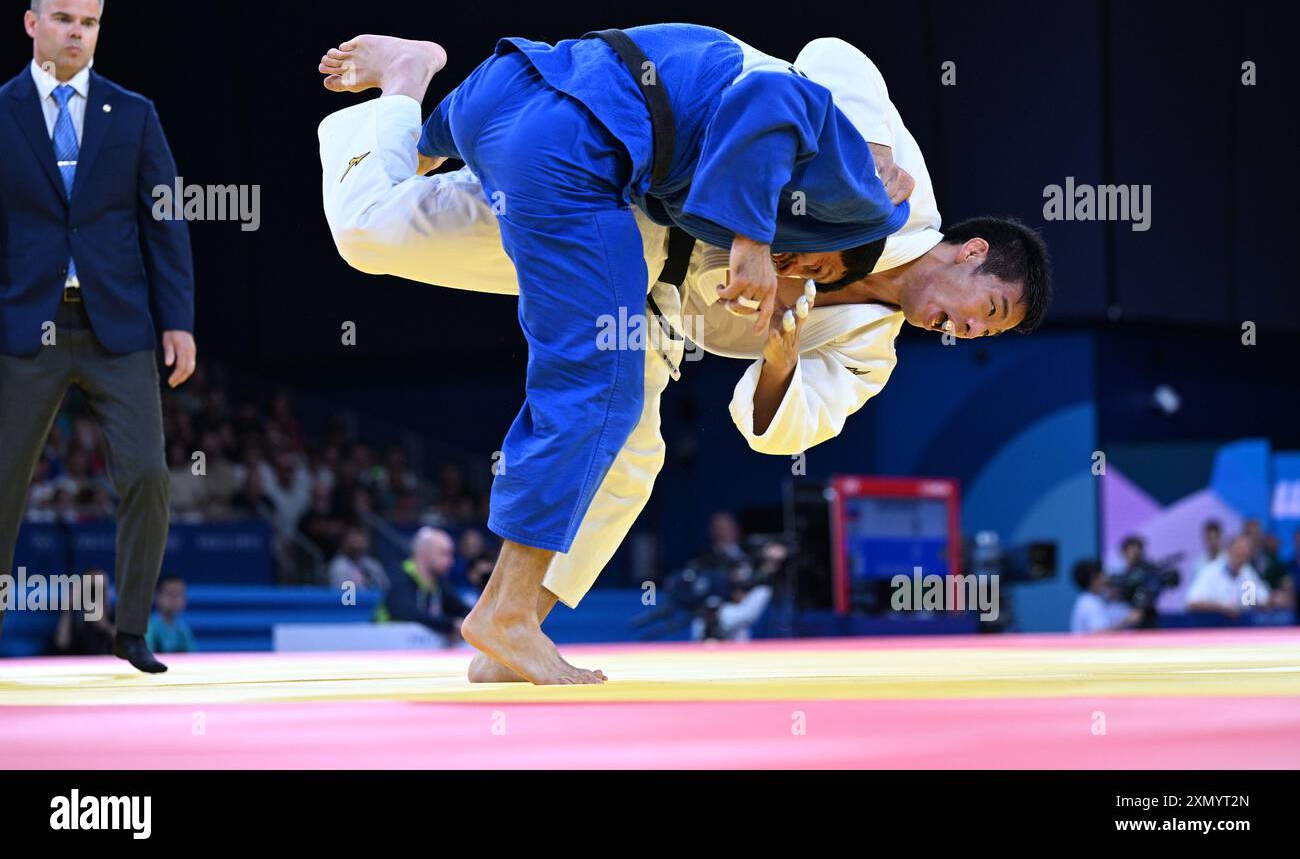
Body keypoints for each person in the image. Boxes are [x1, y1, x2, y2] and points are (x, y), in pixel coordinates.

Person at [317, 35, 1052, 682]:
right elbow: (830, 55)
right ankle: (407, 82)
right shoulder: (901, 190)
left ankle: (512, 625)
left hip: (654, 310)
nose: (963, 329)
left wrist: (778, 358)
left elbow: (780, 432)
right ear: (972, 251)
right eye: (984, 309)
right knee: (366, 234)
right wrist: (872, 146)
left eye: (981, 335)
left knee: (631, 452)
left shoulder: (872, 351)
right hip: (623, 185)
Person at [0, 0, 195, 674]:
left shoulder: (133, 112)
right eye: (62, 19)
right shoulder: (2, 111)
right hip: (25, 327)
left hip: (118, 326)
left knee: (147, 473)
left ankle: (131, 630)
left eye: (88, 23)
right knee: (3, 481)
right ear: (33, 24)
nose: (75, 33)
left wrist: (180, 321)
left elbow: (166, 222)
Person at [376, 527, 469, 645]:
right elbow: (409, 614)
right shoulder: (399, 576)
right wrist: (451, 625)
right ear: (425, 553)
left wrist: (465, 625)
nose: (451, 561)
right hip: (384, 647)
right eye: (444, 554)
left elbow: (463, 609)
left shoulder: (437, 582)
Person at [1185, 534, 1283, 617]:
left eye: (1246, 551)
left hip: (1241, 631)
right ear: (1230, 549)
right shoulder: (1210, 572)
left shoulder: (1247, 573)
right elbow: (1192, 603)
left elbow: (1259, 600)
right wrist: (1222, 608)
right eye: (1239, 550)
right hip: (1212, 630)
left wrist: (1275, 599)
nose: (1243, 554)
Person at [1069, 560, 1142, 634]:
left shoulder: (1097, 599)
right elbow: (1100, 634)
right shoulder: (1088, 603)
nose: (1107, 578)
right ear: (1093, 579)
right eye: (1102, 574)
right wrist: (1128, 621)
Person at [326, 525, 389, 592]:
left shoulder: (371, 563)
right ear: (344, 543)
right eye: (353, 541)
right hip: (348, 601)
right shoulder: (339, 565)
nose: (357, 544)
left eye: (359, 540)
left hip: (371, 600)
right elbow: (339, 591)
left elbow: (385, 585)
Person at [144, 575, 197, 655]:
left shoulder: (183, 630)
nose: (175, 599)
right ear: (157, 596)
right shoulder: (148, 628)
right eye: (170, 594)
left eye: (179, 594)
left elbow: (193, 657)